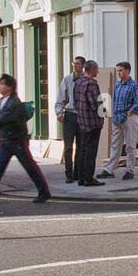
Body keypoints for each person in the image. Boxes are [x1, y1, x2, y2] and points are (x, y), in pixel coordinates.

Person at [0, 74, 51, 204]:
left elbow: (3, 119)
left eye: (2, 84)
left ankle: (44, 192)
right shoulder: (4, 100)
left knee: (30, 167)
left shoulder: (14, 103)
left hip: (17, 140)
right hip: (6, 140)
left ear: (9, 87)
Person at [97, 61, 138, 180]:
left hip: (129, 118)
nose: (119, 73)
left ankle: (130, 170)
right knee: (115, 144)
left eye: (121, 70)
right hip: (117, 118)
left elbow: (137, 102)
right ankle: (109, 169)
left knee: (130, 145)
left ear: (127, 71)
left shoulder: (134, 85)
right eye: (117, 71)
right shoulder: (117, 85)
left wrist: (130, 112)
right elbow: (115, 100)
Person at [74, 60, 104, 187]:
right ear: (92, 69)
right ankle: (89, 178)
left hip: (81, 121)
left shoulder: (78, 82)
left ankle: (81, 177)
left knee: (82, 150)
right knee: (91, 151)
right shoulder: (92, 84)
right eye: (97, 69)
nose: (98, 71)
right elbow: (95, 104)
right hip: (92, 123)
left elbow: (75, 102)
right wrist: (103, 114)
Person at [54, 55, 84, 183]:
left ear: (83, 66)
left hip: (82, 115)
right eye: (73, 64)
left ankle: (77, 172)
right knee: (68, 146)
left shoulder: (85, 80)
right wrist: (59, 112)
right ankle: (68, 174)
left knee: (81, 146)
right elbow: (61, 97)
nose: (75, 66)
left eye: (77, 64)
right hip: (70, 114)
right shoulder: (67, 80)